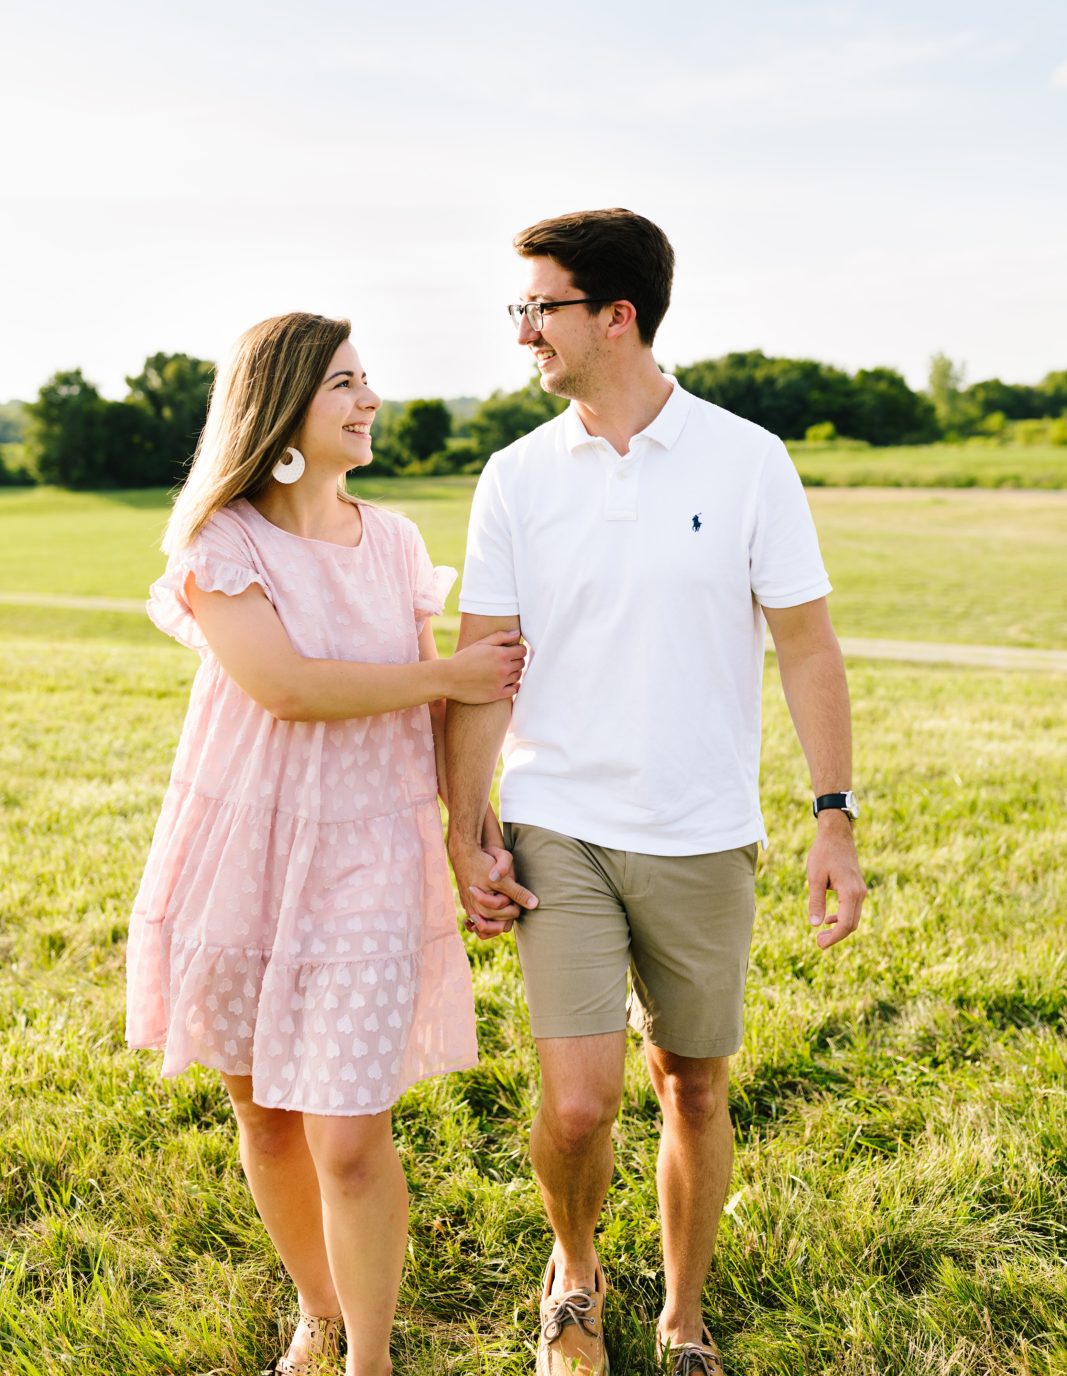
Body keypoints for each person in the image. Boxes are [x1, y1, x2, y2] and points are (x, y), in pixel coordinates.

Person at [445, 210, 867, 1376]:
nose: (523, 329)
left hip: (701, 826)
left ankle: (683, 1313)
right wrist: (464, 822)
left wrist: (832, 813)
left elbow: (807, 647)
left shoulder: (746, 459)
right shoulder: (514, 476)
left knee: (691, 1082)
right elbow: (487, 661)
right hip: (558, 822)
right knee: (578, 1105)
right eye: (519, 307)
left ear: (613, 316)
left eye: (541, 306)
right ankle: (573, 1275)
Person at [126, 311, 530, 1376]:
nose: (369, 400)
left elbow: (437, 715)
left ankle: (371, 1359)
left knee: (347, 1131)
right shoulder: (221, 541)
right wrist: (445, 673)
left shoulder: (392, 539)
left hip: (369, 851)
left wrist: (468, 831)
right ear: (284, 404)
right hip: (244, 847)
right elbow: (287, 687)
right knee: (263, 1117)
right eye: (344, 383)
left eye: (366, 380)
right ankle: (317, 1309)